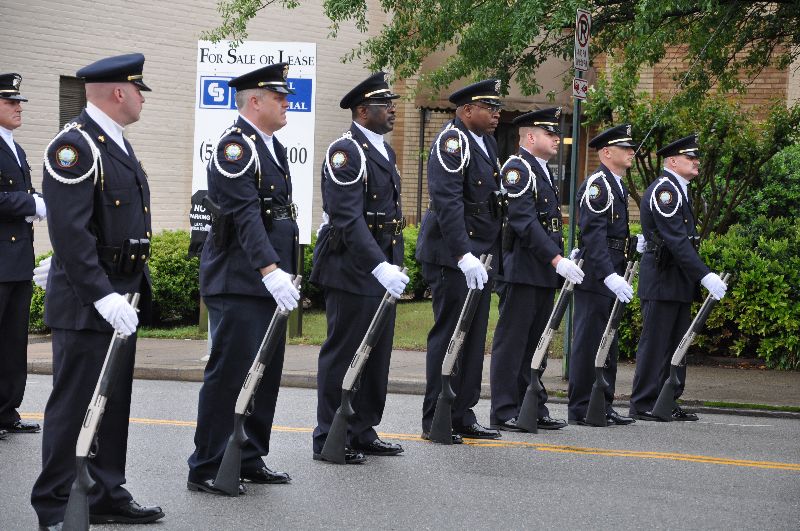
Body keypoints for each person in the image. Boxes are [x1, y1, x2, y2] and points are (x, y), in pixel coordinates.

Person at [31, 53, 164, 529]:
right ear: (119, 92)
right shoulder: (75, 147)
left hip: (122, 294)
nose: (143, 98)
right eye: (139, 89)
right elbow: (69, 233)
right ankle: (54, 504)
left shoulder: (116, 144)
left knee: (111, 403)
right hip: (91, 301)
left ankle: (106, 492)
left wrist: (123, 295)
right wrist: (102, 295)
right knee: (74, 406)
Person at [187, 62, 300, 495]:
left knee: (264, 373)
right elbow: (245, 215)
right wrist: (270, 270)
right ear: (255, 101)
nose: (286, 102)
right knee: (231, 373)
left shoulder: (271, 146)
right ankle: (208, 464)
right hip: (239, 279)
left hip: (265, 279)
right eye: (278, 96)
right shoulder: (236, 148)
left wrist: (282, 271)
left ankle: (248, 455)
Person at [311, 72, 408, 464]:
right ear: (362, 111)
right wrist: (380, 266)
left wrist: (393, 264)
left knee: (376, 353)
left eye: (393, 105)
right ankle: (330, 434)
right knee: (344, 353)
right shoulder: (346, 152)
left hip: (381, 268)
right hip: (352, 269)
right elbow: (348, 219)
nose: (393, 112)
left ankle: (363, 428)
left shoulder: (385, 151)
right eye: (386, 106)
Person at [416, 79, 504, 441]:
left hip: (479, 255)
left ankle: (463, 411)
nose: (497, 114)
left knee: (473, 335)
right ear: (468, 111)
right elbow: (448, 203)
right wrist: (463, 255)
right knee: (450, 334)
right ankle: (436, 415)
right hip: (454, 255)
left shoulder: (486, 142)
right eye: (490, 107)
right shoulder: (452, 143)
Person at [489, 108, 583, 433]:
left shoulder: (541, 170)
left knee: (537, 344)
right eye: (550, 134)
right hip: (521, 269)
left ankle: (533, 403)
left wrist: (557, 257)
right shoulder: (518, 169)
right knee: (512, 342)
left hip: (540, 270)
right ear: (530, 137)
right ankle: (503, 409)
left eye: (556, 134)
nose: (557, 139)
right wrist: (557, 260)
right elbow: (524, 222)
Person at [629, 134, 727, 421]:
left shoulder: (679, 190)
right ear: (672, 161)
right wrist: (705, 275)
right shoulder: (665, 191)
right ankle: (644, 402)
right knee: (656, 344)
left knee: (677, 345)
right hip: (662, 280)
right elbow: (676, 241)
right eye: (690, 157)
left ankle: (667, 400)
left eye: (696, 157)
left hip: (677, 282)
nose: (697, 162)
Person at [567, 124, 637, 427]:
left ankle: (603, 402)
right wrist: (608, 274)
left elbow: (611, 233)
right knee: (590, 340)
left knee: (609, 339)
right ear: (607, 152)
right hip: (598, 275)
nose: (632, 153)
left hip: (612, 269)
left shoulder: (616, 184)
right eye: (625, 148)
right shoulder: (599, 184)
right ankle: (582, 405)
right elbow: (593, 235)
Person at [0, 73, 43, 437]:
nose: (18, 107)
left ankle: (7, 412)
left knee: (14, 342)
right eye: (10, 102)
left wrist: (32, 204)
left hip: (17, 262)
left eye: (19, 102)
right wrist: (34, 203)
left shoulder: (16, 148)